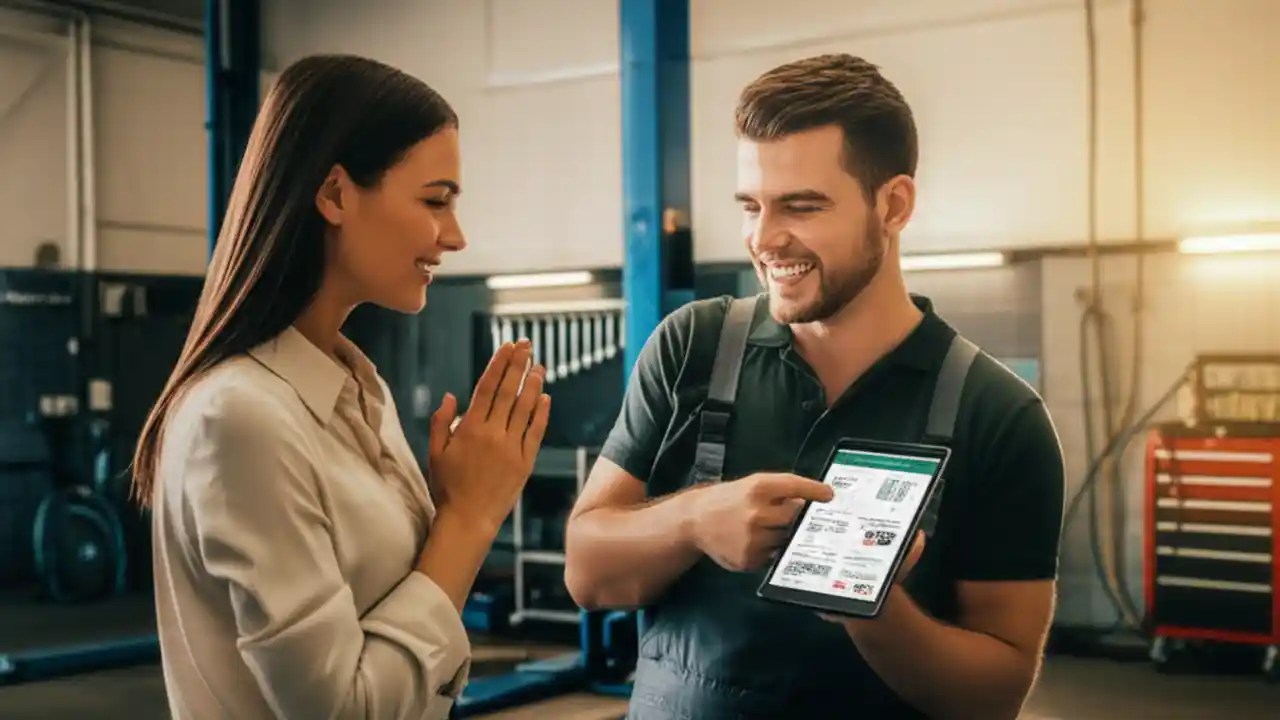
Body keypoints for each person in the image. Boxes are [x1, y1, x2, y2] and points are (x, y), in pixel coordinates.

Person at [564, 54, 1065, 720]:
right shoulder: (692, 348)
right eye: (752, 206)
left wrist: (872, 607)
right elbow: (587, 573)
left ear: (894, 204)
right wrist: (693, 520)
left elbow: (996, 693)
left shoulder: (999, 416)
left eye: (800, 207)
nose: (765, 239)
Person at [131, 55, 551, 720]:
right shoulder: (240, 416)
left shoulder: (360, 392)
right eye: (435, 200)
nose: (455, 235)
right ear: (333, 194)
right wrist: (470, 519)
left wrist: (448, 512)